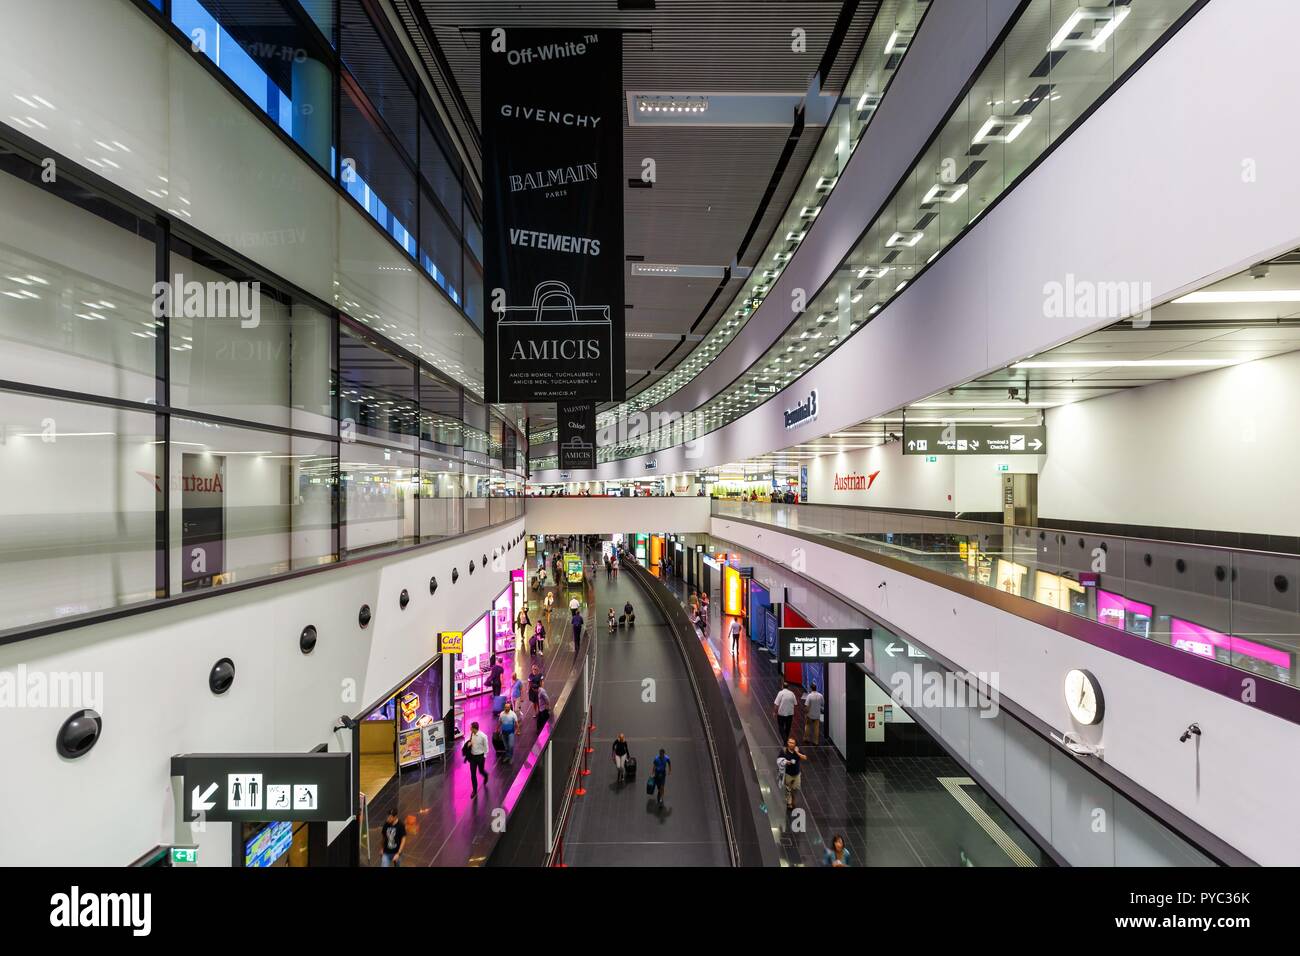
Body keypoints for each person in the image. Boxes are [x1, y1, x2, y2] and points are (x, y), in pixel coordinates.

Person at [779, 737, 807, 810]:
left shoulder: (798, 750)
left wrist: (797, 753)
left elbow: (805, 758)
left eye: (792, 743)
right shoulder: (784, 751)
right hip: (788, 774)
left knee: (795, 789)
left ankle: (792, 799)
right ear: (787, 743)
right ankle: (789, 803)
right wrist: (786, 762)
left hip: (796, 774)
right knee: (788, 789)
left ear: (795, 744)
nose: (791, 744)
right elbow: (779, 760)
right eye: (789, 742)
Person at [465, 721, 490, 798]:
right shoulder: (472, 734)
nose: (470, 729)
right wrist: (470, 744)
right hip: (473, 758)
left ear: (474, 728)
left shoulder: (483, 736)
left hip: (480, 757)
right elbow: (472, 742)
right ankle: (474, 790)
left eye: (471, 727)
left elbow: (486, 748)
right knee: (473, 774)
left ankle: (486, 775)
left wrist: (484, 756)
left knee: (481, 771)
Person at [803, 682, 825, 746]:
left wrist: (805, 713)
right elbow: (823, 704)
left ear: (811, 688)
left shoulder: (809, 696)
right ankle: (816, 742)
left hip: (810, 714)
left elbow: (806, 706)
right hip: (817, 715)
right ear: (816, 688)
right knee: (816, 728)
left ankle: (806, 738)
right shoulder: (820, 695)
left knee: (807, 726)